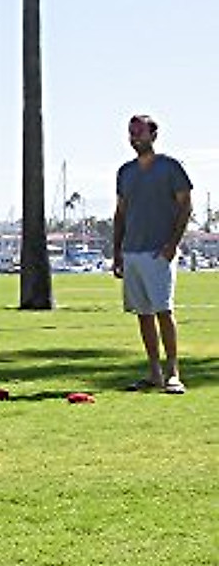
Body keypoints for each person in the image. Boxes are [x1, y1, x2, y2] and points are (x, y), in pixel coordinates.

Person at [112, 114, 192, 393]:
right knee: (143, 314)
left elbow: (185, 206)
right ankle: (154, 373)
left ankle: (173, 374)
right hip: (131, 252)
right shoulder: (125, 172)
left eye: (139, 132)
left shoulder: (171, 168)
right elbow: (120, 213)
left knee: (163, 310)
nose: (134, 137)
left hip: (160, 253)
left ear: (153, 135)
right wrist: (117, 251)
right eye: (131, 132)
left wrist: (172, 245)